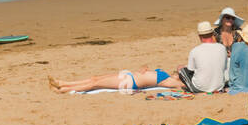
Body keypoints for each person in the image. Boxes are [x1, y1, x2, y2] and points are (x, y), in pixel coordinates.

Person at [47, 24, 215, 93]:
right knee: (95, 78)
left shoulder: (176, 83)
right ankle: (63, 83)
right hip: (130, 76)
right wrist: (145, 69)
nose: (179, 73)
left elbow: (185, 87)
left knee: (95, 83)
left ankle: (64, 87)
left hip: (130, 83)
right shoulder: (170, 77)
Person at [178, 21, 228, 93]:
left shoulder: (195, 50)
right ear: (212, 34)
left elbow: (190, 69)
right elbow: (224, 68)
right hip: (219, 86)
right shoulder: (222, 48)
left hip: (200, 88)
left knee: (180, 68)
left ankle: (190, 87)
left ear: (199, 36)